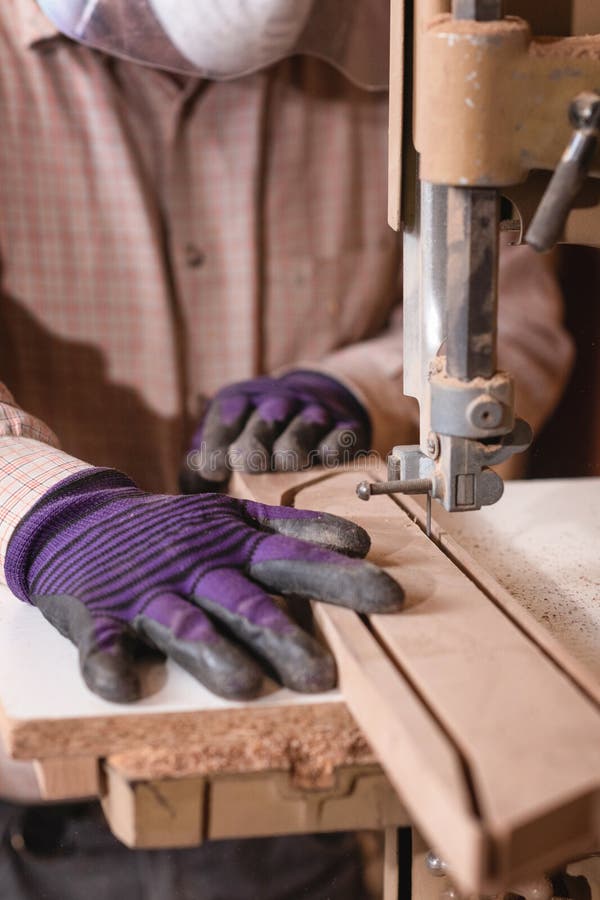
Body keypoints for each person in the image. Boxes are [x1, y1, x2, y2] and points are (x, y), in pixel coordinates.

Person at [0, 0, 574, 896]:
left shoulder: (407, 53)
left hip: (301, 760)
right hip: (38, 807)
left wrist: (362, 388)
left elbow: (522, 321)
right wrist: (45, 509)